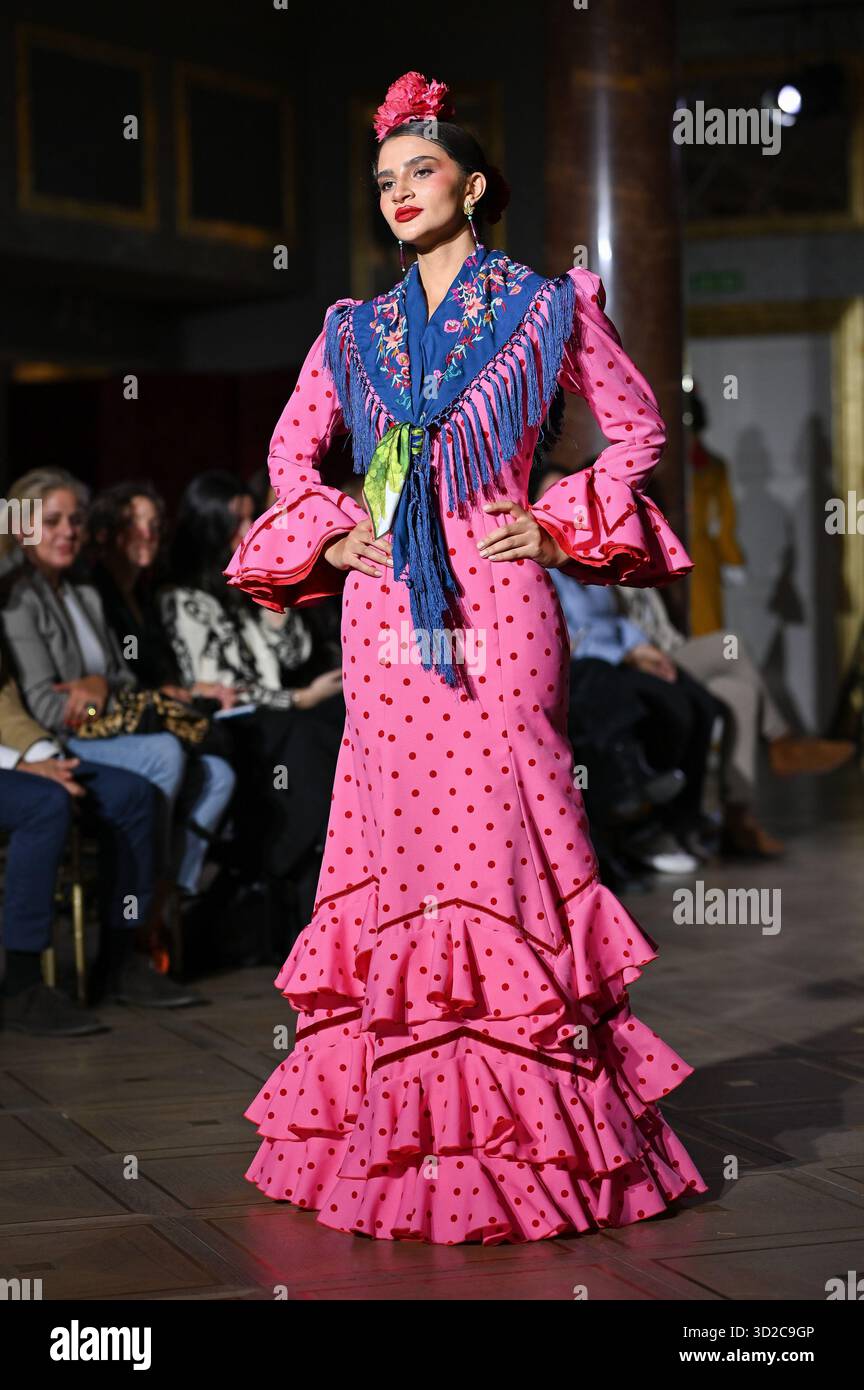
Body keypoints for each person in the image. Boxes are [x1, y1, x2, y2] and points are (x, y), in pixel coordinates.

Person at [223, 71, 709, 1245]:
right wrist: (338, 530)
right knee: (396, 855)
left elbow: (640, 429)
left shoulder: (546, 306)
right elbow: (293, 461)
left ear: (475, 184)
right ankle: (398, 1139)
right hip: (386, 615)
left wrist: (551, 520)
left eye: (421, 171)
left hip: (500, 600)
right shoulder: (350, 329)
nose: (398, 192)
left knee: (506, 847)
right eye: (383, 179)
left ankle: (536, 1142)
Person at [0, 469, 233, 1005]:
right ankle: (133, 929)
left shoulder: (81, 588)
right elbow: (44, 705)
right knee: (163, 752)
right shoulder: (18, 599)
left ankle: (159, 896)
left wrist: (98, 684)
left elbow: (121, 678)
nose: (68, 532)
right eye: (52, 521)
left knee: (218, 774)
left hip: (103, 725)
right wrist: (90, 694)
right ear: (21, 528)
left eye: (75, 521)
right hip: (58, 738)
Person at [159, 472, 346, 928]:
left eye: (252, 519)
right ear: (209, 526)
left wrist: (272, 590)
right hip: (231, 720)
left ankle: (321, 856)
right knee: (307, 725)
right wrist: (297, 697)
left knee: (336, 715)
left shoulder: (244, 583)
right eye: (237, 522)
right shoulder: (185, 598)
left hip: (275, 712)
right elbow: (218, 684)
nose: (249, 531)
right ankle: (300, 863)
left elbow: (292, 653)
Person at [615, 581, 856, 856]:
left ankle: (738, 819)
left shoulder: (640, 567)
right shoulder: (592, 570)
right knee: (731, 643)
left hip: (673, 655)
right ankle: (782, 743)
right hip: (640, 665)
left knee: (742, 694)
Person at [0, 651, 159, 1032]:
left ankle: (120, 957)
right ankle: (21, 984)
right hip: (10, 764)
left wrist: (46, 760)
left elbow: (7, 709)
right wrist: (19, 765)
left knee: (133, 795)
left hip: (25, 753)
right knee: (44, 803)